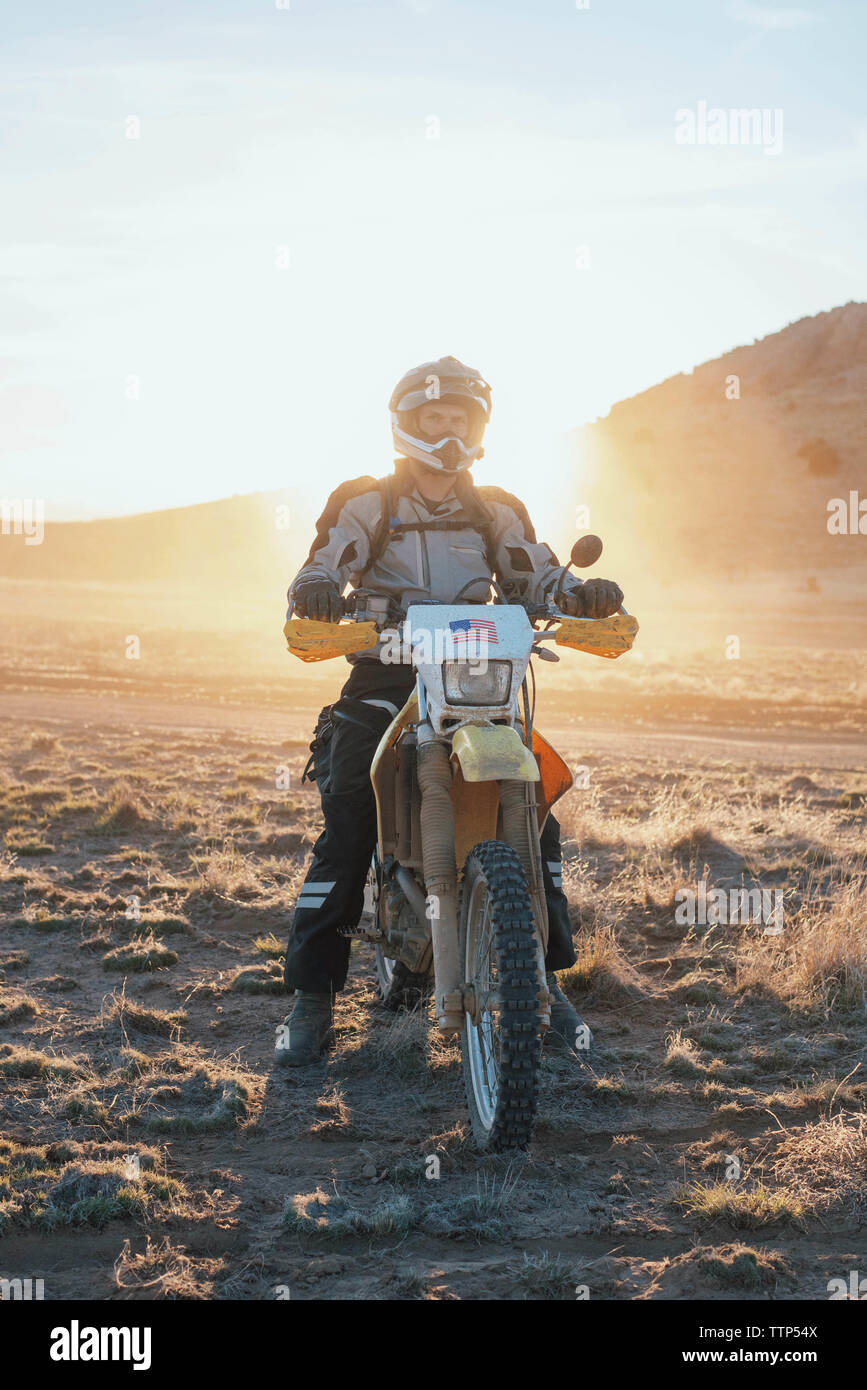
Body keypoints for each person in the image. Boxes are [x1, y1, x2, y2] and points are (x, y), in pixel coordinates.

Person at [275, 356, 623, 1066]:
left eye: (459, 417)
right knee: (348, 809)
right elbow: (326, 559)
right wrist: (315, 588)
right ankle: (312, 999)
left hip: (473, 670)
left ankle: (544, 984)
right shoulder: (366, 500)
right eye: (434, 417)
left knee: (533, 807)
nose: (447, 428)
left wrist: (578, 592)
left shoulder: (496, 507)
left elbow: (534, 572)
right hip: (386, 668)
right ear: (407, 423)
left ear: (478, 425)